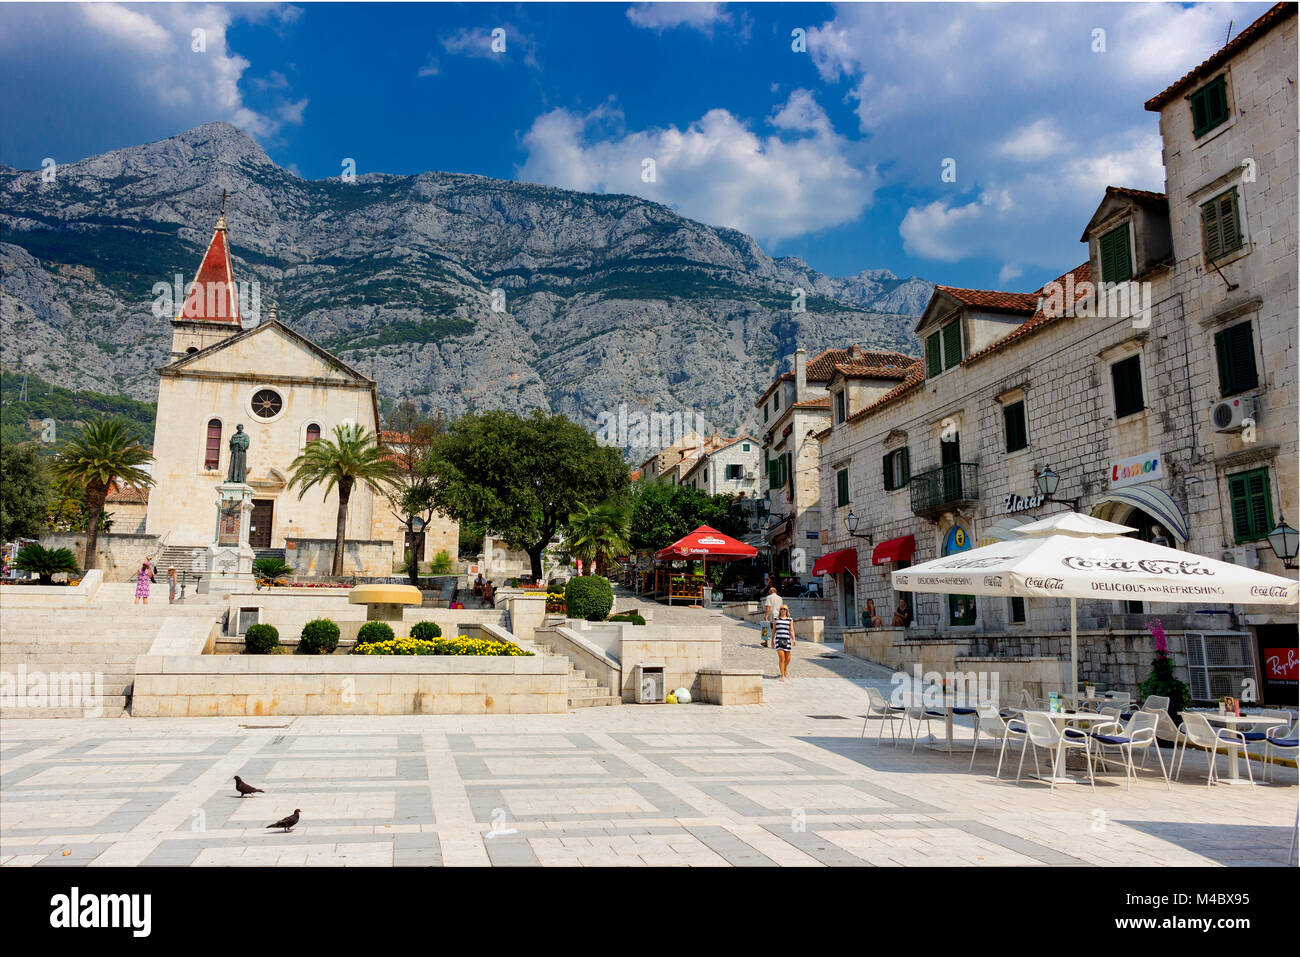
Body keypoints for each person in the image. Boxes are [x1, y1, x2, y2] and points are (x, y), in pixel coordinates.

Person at [772, 604, 796, 682]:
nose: (783, 610)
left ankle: (785, 668)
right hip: (778, 640)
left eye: (784, 609)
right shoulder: (776, 619)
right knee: (782, 658)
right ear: (780, 610)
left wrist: (794, 639)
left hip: (787, 640)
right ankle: (782, 675)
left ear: (787, 610)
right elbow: (774, 631)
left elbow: (791, 630)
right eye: (781, 609)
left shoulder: (790, 620)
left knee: (788, 659)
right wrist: (772, 641)